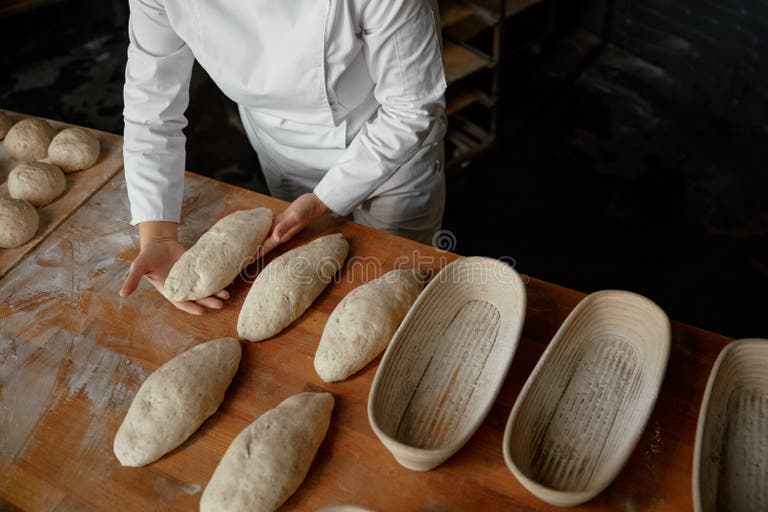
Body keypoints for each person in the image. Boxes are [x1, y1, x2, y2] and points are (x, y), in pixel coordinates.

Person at [119, 0, 447, 315]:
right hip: (280, 146)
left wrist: (323, 201)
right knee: (305, 283)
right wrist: (158, 235)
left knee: (396, 284)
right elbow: (151, 115)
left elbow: (410, 108)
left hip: (390, 155)